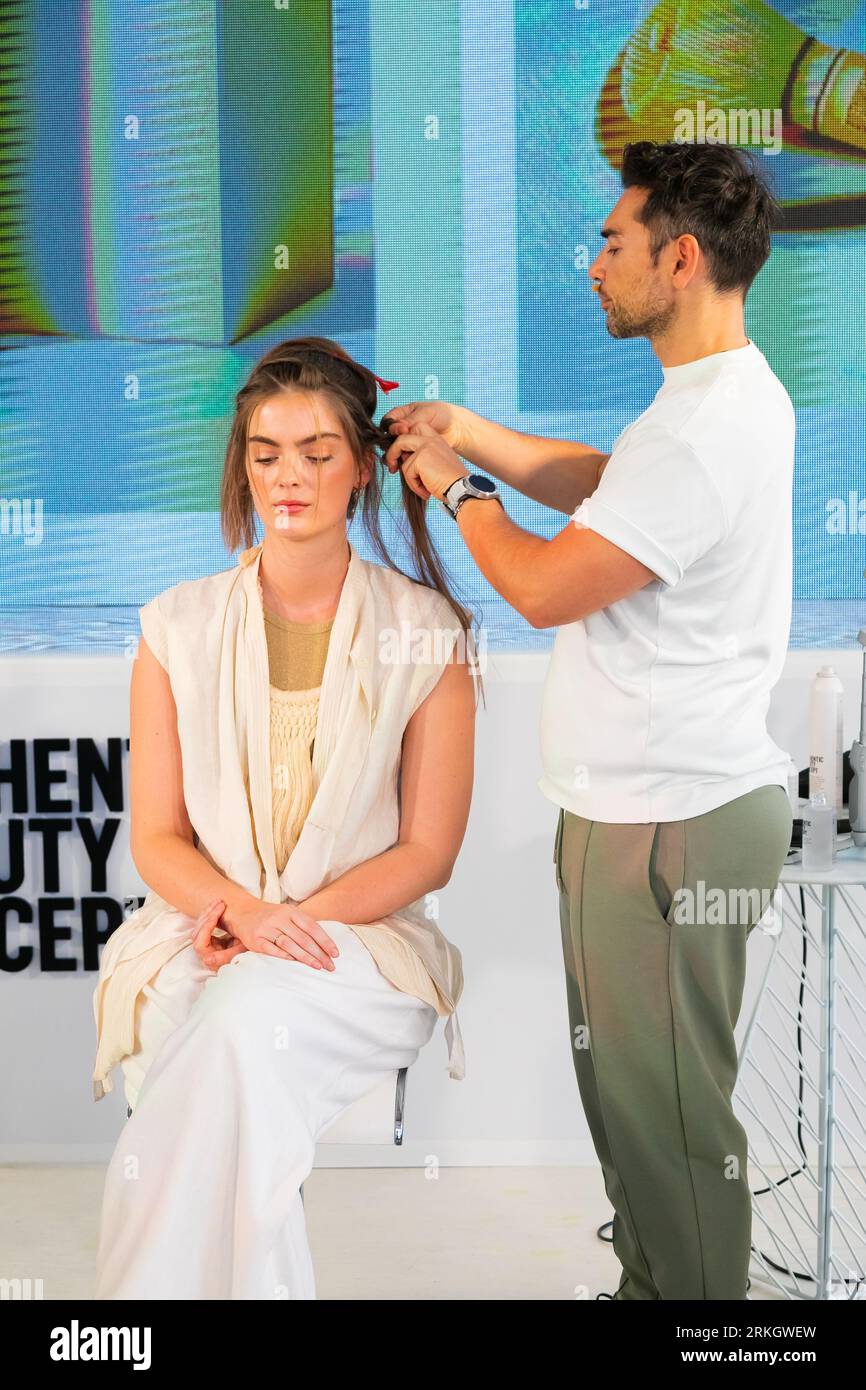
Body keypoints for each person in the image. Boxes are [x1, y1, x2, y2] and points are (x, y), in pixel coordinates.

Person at [380, 140, 795, 1300]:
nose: (591, 265)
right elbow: (607, 482)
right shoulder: (703, 407)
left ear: (677, 256)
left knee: (666, 1132)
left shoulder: (709, 428)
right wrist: (469, 431)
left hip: (669, 823)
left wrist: (456, 489)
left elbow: (544, 587)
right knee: (631, 1123)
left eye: (610, 245)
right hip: (627, 816)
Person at [92, 338, 478, 1299]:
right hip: (212, 927)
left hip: (364, 945)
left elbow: (427, 852)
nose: (288, 477)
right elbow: (157, 840)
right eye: (266, 454)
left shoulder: (429, 633)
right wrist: (244, 916)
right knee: (214, 1022)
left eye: (315, 451)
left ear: (360, 466)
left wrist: (286, 930)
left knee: (240, 1016)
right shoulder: (171, 627)